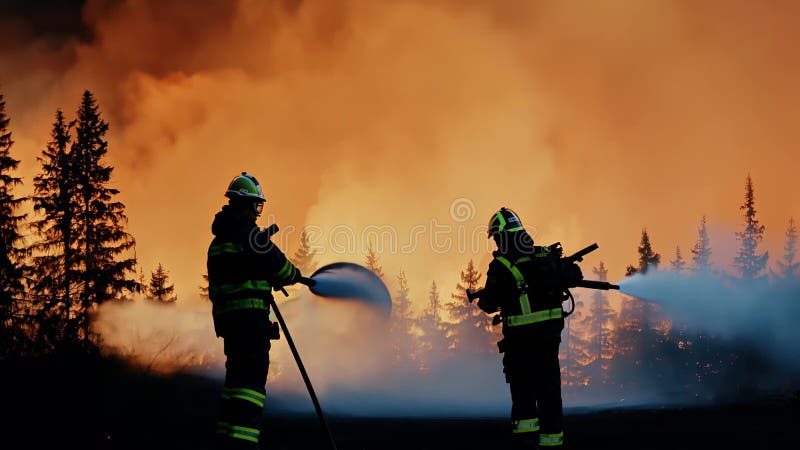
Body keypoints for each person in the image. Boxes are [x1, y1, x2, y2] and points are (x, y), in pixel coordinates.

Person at [207, 172, 301, 449]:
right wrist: (293, 275)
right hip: (250, 327)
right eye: (256, 206)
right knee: (250, 391)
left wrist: (261, 272)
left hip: (231, 327)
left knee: (234, 388)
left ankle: (226, 442)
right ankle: (244, 444)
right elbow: (279, 266)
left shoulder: (219, 241)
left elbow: (240, 272)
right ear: (245, 204)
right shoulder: (248, 235)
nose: (257, 213)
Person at [476, 207, 582, 449]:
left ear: (502, 235)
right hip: (549, 341)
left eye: (496, 237)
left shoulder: (501, 265)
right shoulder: (543, 256)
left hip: (520, 344)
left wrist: (493, 297)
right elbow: (574, 275)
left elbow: (488, 303)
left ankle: (525, 443)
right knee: (549, 394)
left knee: (524, 395)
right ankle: (552, 443)